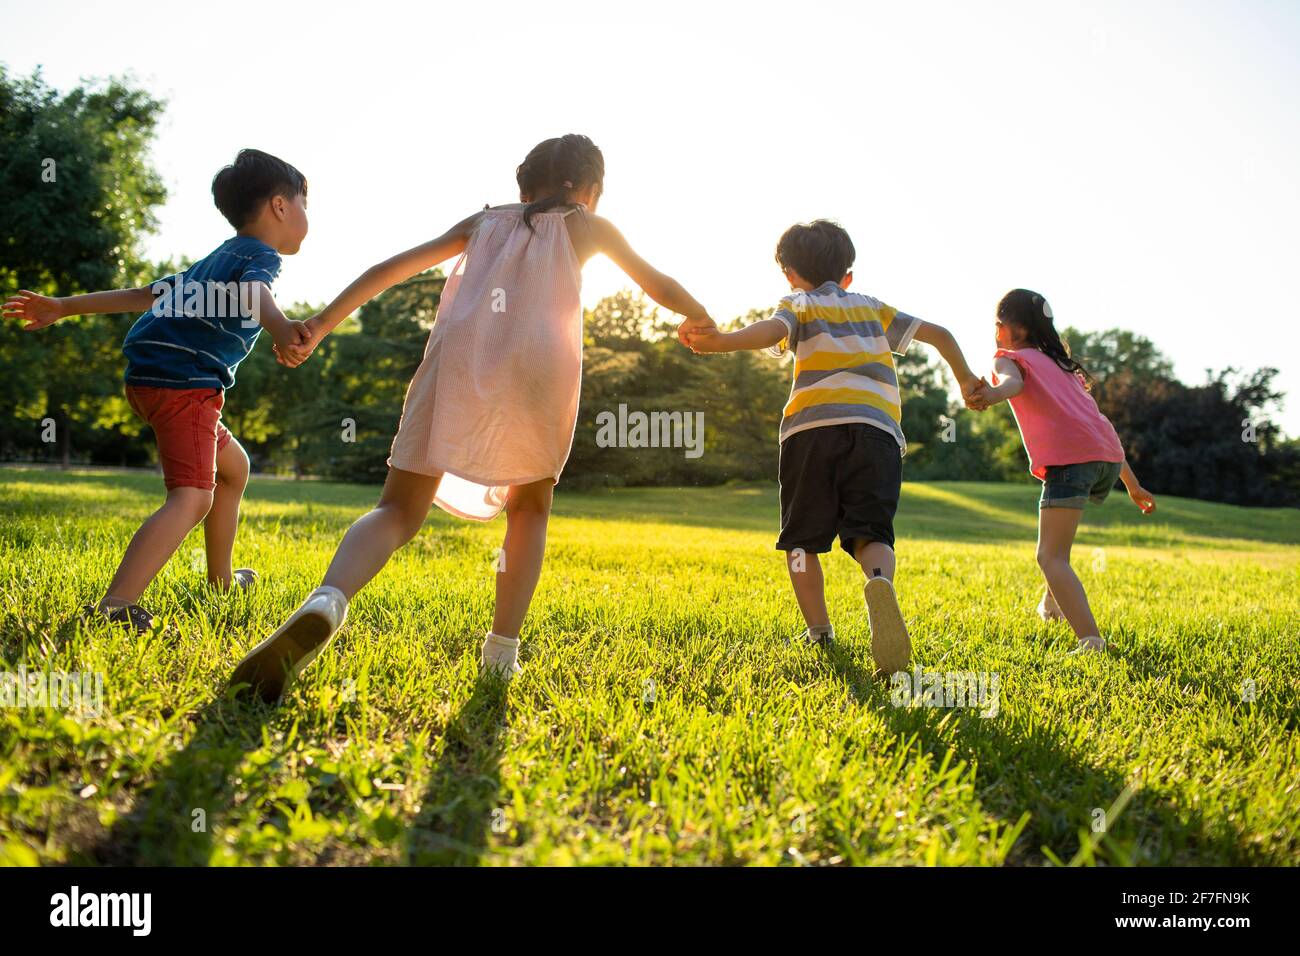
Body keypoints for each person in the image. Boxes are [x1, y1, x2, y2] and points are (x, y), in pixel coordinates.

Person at [228, 134, 716, 702]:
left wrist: (319, 325)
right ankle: (501, 655)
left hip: (458, 361)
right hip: (539, 369)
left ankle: (328, 599)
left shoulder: (485, 222)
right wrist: (699, 314)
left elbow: (392, 268)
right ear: (590, 191)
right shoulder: (586, 225)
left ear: (522, 185)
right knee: (528, 508)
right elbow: (655, 282)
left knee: (396, 508)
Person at [2, 149, 313, 633]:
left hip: (156, 379)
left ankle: (220, 581)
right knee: (192, 497)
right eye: (304, 203)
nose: (305, 216)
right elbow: (257, 295)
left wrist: (63, 306)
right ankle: (116, 604)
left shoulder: (217, 259)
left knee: (234, 469)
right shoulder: (259, 256)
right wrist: (278, 327)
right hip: (183, 384)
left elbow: (144, 296)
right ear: (279, 206)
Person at [686, 219, 985, 675]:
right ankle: (879, 583)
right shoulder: (872, 308)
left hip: (812, 431)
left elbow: (771, 330)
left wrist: (721, 342)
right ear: (848, 274)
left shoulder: (799, 303)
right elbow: (940, 334)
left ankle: (820, 632)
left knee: (802, 540)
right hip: (877, 431)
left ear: (788, 272)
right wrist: (965, 381)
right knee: (872, 532)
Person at [964, 288, 1155, 652]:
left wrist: (988, 395)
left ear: (1006, 328)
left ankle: (1090, 640)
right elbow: (1100, 425)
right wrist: (1133, 485)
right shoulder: (1063, 367)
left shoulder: (1008, 357)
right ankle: (1052, 605)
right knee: (1058, 546)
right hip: (1107, 459)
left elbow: (1013, 385)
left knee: (1049, 556)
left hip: (1071, 462)